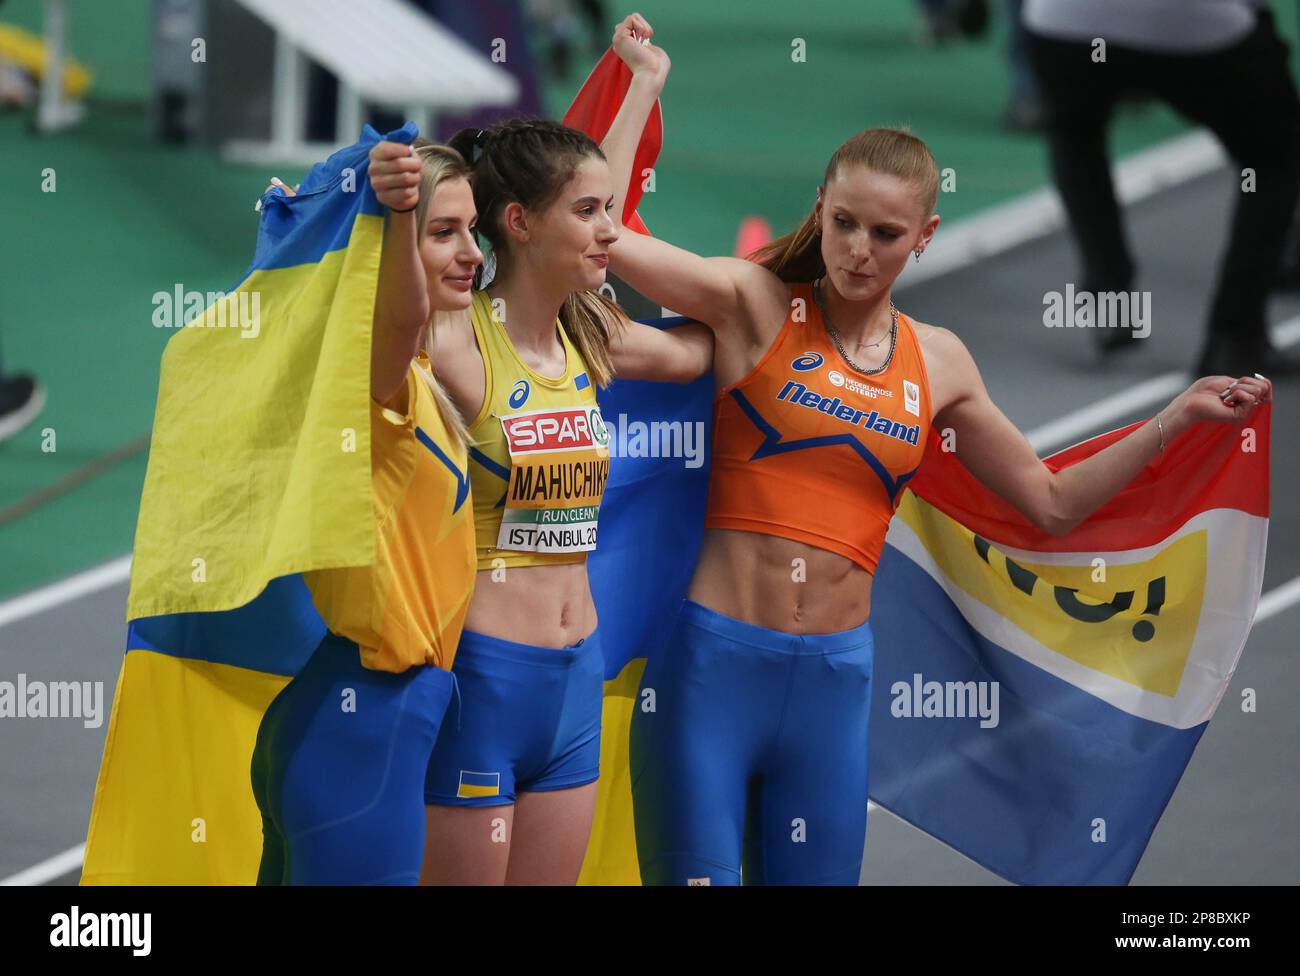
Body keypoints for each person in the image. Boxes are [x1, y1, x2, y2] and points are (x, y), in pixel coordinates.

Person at [600, 14, 1273, 885]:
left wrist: (1174, 419)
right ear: (820, 208)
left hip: (835, 693)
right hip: (710, 677)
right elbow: (601, 235)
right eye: (842, 223)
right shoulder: (753, 303)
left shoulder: (941, 361)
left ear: (924, 235)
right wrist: (642, 85)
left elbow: (1052, 502)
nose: (856, 250)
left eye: (885, 235)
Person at [416, 115, 711, 884]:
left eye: (609, 210)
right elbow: (381, 291)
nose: (609, 232)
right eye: (588, 213)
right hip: (483, 684)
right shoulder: (455, 340)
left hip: (578, 678)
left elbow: (708, 344)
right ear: (516, 222)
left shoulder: (591, 337)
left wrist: (644, 84)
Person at [250, 137, 483, 884]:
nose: (472, 253)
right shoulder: (381, 381)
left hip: (339, 716)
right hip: (363, 737)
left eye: (472, 229)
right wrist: (389, 212)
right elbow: (397, 318)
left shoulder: (416, 380)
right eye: (444, 233)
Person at [1022, 0, 1300, 375]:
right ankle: (1235, 336)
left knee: (1076, 132)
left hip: (1063, 22)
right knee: (1275, 157)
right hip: (1193, 24)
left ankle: (1110, 295)